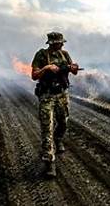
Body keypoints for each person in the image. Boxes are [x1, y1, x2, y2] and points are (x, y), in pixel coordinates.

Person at [31, 31, 79, 177]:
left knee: (63, 122)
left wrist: (73, 68)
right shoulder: (41, 55)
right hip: (47, 96)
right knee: (47, 128)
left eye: (62, 42)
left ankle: (58, 139)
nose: (62, 44)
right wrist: (46, 68)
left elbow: (74, 71)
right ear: (52, 43)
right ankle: (49, 162)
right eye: (59, 42)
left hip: (62, 94)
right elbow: (34, 75)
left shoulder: (65, 54)